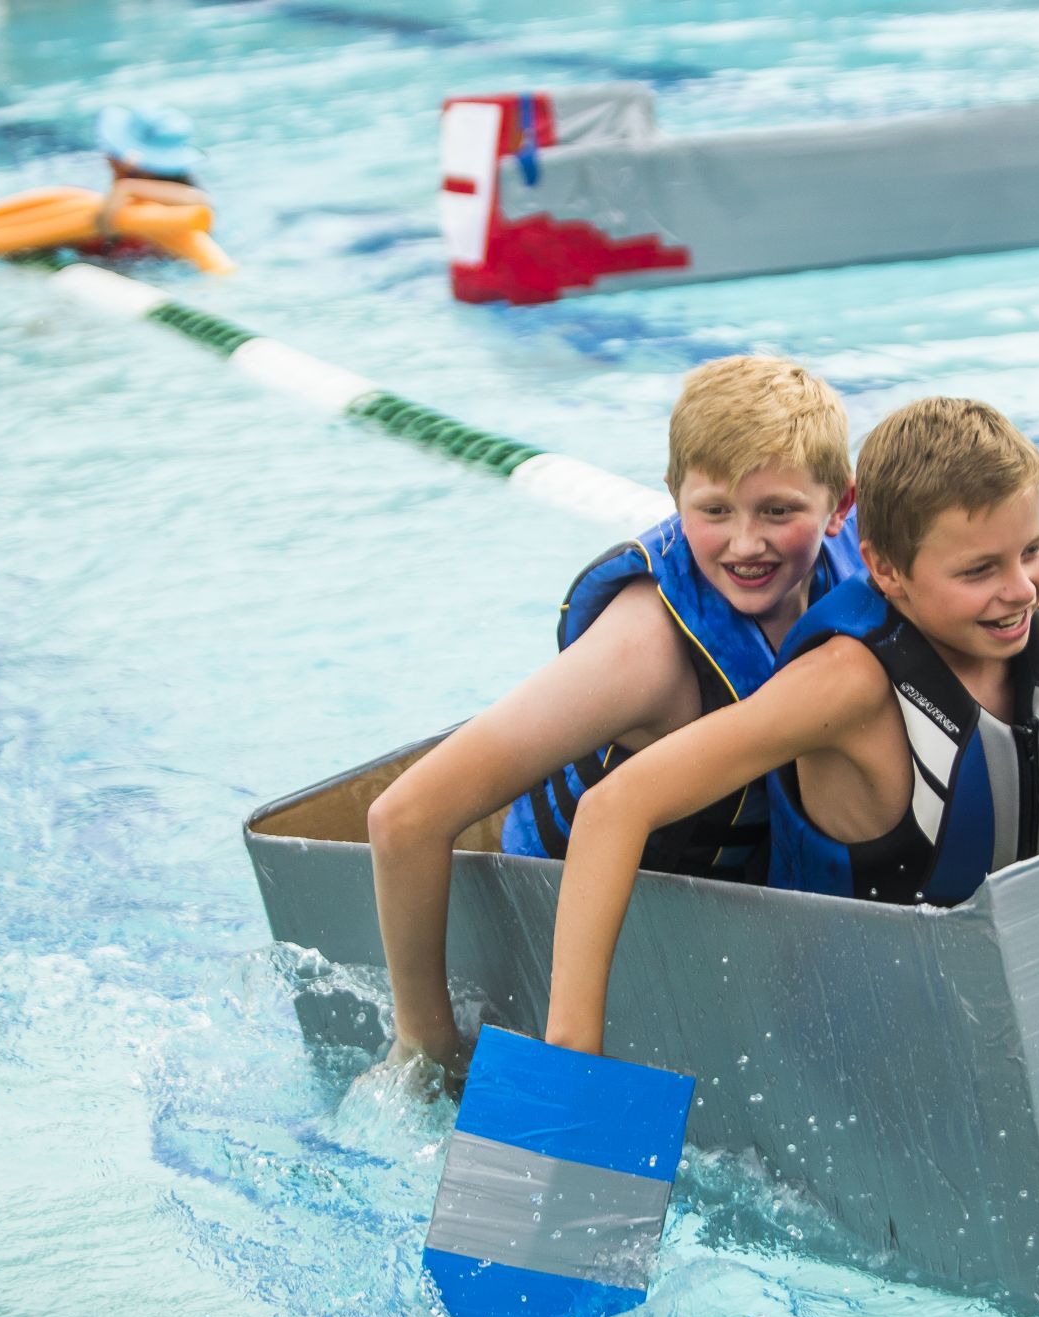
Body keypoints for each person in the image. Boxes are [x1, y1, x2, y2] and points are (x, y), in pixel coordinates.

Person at [541, 397, 1039, 1054]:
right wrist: (576, 1054)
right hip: (843, 1035)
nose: (1020, 589)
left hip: (1007, 988)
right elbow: (614, 805)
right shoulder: (848, 685)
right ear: (887, 570)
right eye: (979, 569)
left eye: (1031, 550)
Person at [368, 357, 862, 1078]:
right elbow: (403, 817)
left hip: (730, 911)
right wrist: (426, 1040)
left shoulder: (858, 563)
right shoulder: (642, 653)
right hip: (564, 924)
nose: (745, 543)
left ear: (840, 507)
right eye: (714, 510)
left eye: (778, 512)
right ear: (672, 495)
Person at [92, 104, 210, 244]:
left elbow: (200, 202)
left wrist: (127, 187)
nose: (107, 156)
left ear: (130, 161)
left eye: (112, 151)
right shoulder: (126, 187)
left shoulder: (183, 197)